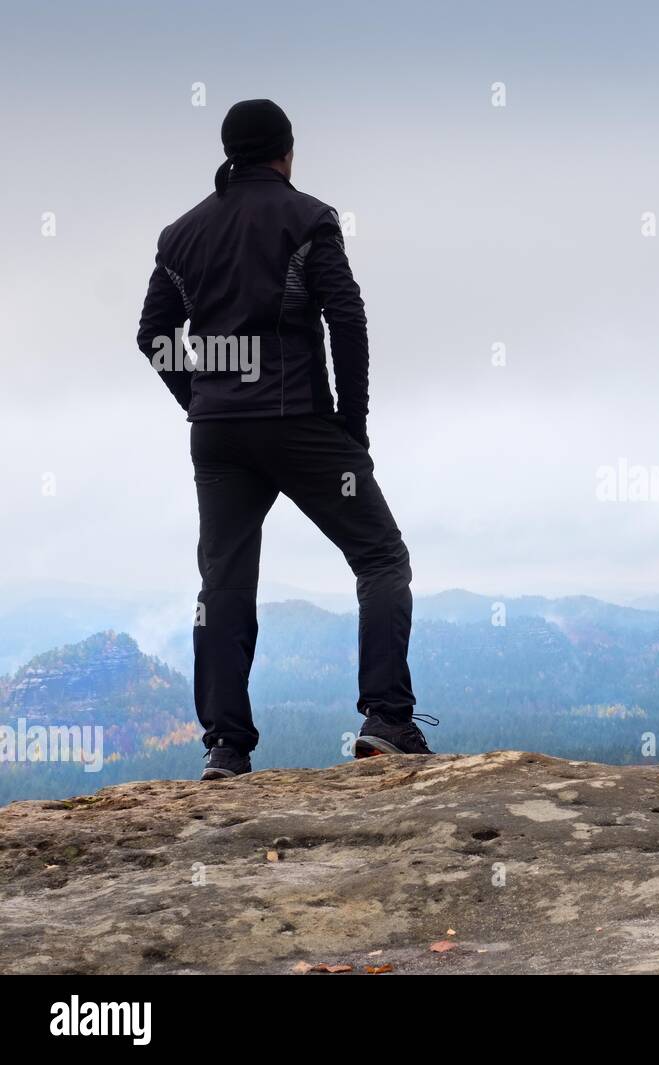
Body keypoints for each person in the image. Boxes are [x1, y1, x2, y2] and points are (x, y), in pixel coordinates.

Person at [136, 99, 435, 779]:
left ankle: (225, 747)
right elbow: (346, 320)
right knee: (380, 556)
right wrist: (350, 429)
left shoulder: (181, 235)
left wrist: (201, 400)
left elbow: (153, 334)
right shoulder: (308, 220)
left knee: (224, 582)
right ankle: (386, 718)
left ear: (229, 154)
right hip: (299, 422)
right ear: (286, 152)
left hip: (218, 437)